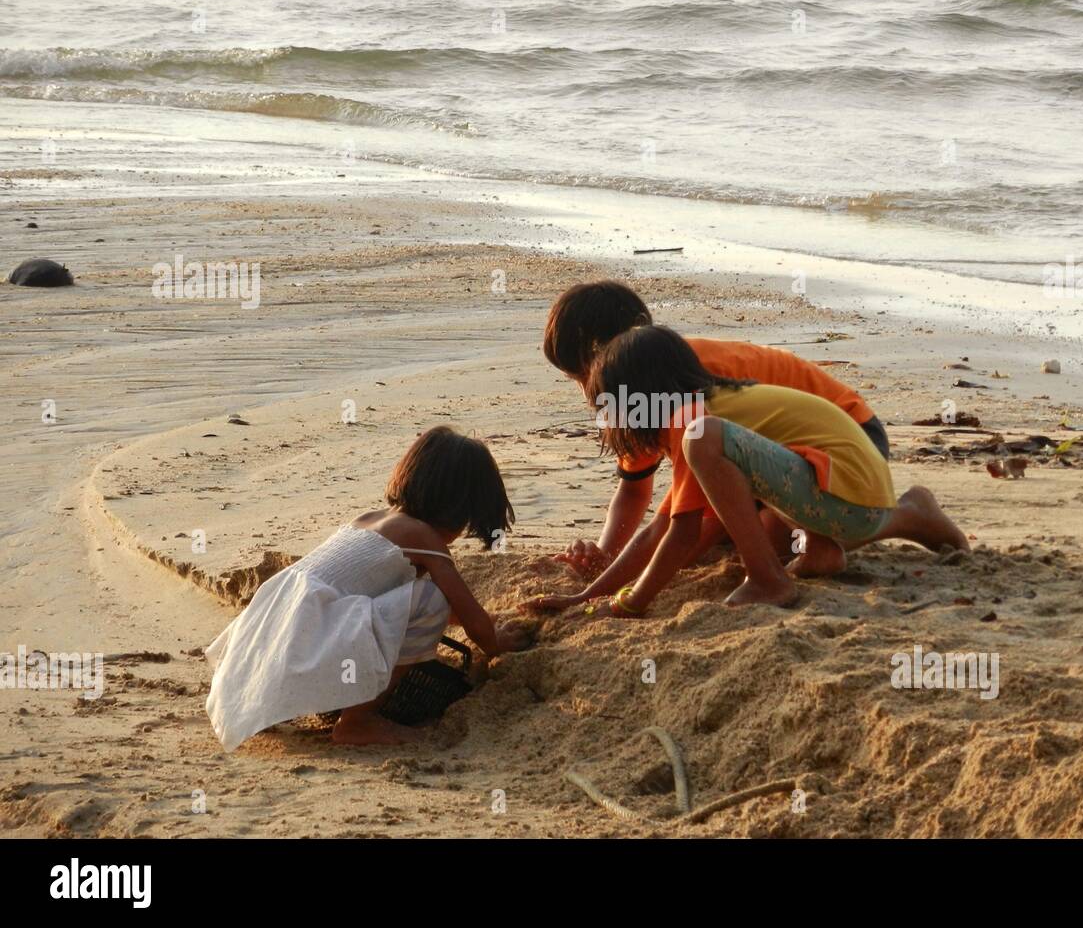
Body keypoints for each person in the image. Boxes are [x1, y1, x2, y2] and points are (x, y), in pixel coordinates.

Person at [532, 327, 967, 615]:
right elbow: (660, 526)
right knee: (722, 464)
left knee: (706, 443)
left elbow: (681, 535)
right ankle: (909, 512)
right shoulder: (707, 404)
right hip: (848, 495)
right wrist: (588, 596)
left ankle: (767, 578)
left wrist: (631, 603)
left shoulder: (694, 423)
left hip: (847, 496)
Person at [205, 427, 529, 750]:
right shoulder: (423, 538)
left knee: (420, 597)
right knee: (430, 598)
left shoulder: (367, 519)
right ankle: (356, 722)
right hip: (313, 637)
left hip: (276, 639)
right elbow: (465, 614)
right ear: (458, 509)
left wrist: (489, 617)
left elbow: (386, 603)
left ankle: (286, 707)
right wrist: (496, 644)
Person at [543, 280, 889, 576]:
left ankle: (903, 518)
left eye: (580, 376)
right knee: (726, 532)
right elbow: (634, 490)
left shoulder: (681, 378)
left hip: (850, 444)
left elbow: (700, 509)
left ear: (611, 354)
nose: (585, 393)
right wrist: (607, 555)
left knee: (766, 539)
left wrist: (647, 572)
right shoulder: (640, 387)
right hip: (783, 463)